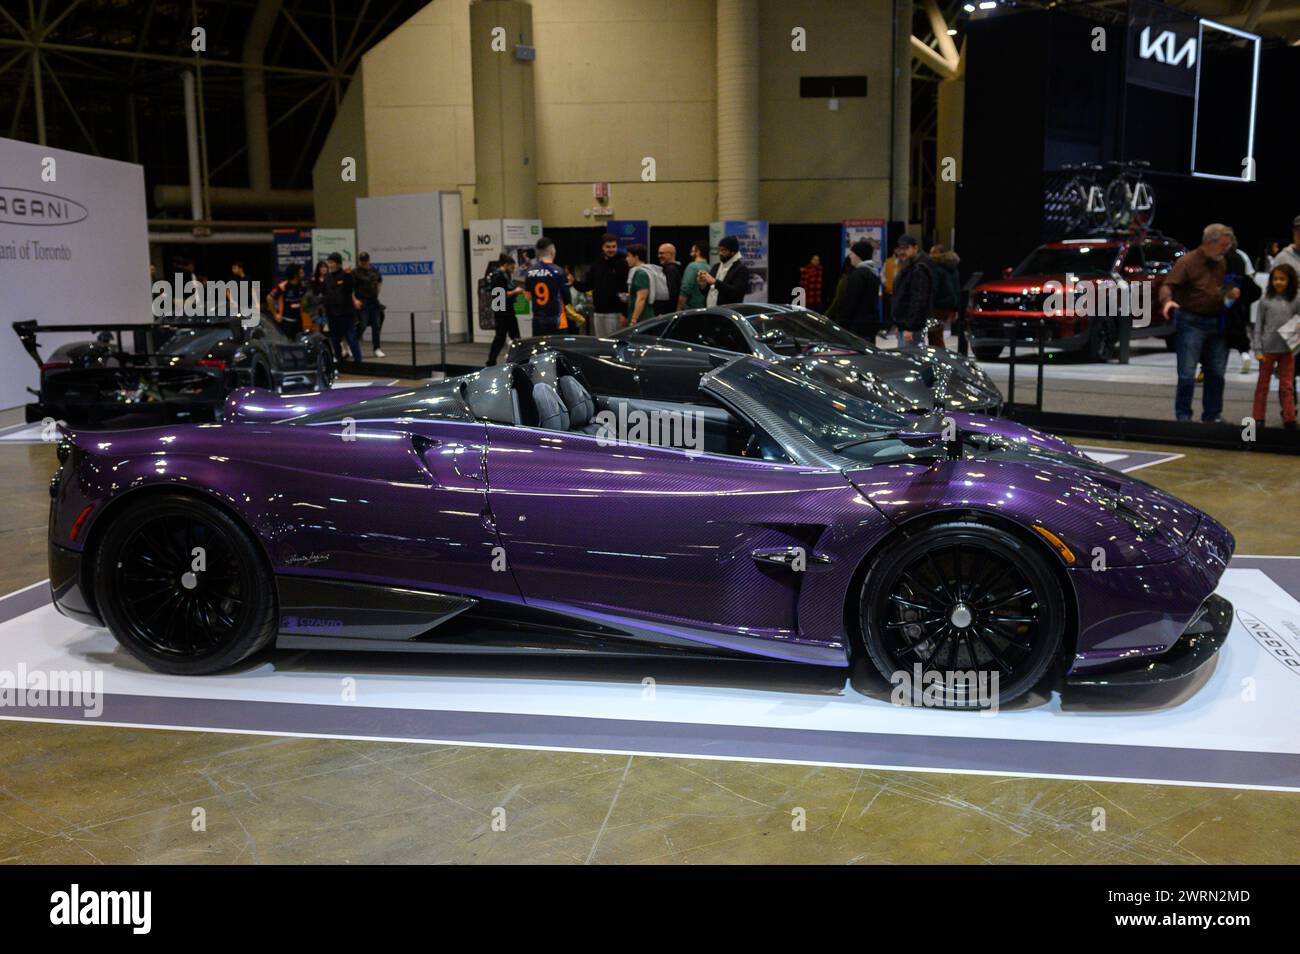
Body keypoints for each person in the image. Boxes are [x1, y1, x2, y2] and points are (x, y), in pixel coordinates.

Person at [1159, 223, 1239, 423]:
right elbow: (1168, 285)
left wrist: (1230, 290)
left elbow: (1219, 286)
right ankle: (1183, 416)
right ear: (1209, 243)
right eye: (1223, 245)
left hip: (1216, 322)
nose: (1226, 249)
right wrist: (1167, 301)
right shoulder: (1187, 262)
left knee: (1216, 373)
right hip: (1191, 322)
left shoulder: (1221, 261)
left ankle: (1212, 415)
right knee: (1187, 374)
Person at [1251, 264, 1300, 431]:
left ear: (1290, 281)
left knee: (1287, 386)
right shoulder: (1265, 301)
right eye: (1275, 279)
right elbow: (1258, 326)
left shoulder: (1296, 299)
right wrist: (1257, 349)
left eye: (1282, 279)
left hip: (1288, 351)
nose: (1278, 282)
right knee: (1262, 386)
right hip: (1267, 351)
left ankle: (1289, 418)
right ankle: (1258, 418)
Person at [576, 233, 629, 338]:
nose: (611, 249)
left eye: (614, 246)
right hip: (598, 312)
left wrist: (624, 313)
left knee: (614, 343)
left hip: (615, 313)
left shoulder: (622, 264)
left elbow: (626, 290)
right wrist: (574, 282)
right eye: (608, 247)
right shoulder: (596, 263)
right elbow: (588, 285)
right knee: (600, 344)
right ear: (602, 247)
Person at [891, 235, 934, 347]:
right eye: (900, 249)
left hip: (911, 328)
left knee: (911, 360)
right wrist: (899, 325)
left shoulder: (919, 268)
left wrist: (910, 327)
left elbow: (919, 300)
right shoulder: (909, 266)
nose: (902, 252)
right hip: (905, 325)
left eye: (905, 248)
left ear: (915, 248)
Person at [522, 236, 567, 335]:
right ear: (552, 250)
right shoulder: (558, 271)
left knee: (540, 347)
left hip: (538, 320)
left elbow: (527, 297)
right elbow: (566, 297)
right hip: (556, 320)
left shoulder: (529, 272)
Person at [486, 255, 526, 365]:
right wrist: (515, 292)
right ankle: (491, 361)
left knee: (510, 336)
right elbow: (500, 295)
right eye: (512, 268)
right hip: (502, 311)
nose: (513, 270)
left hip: (505, 309)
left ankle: (493, 360)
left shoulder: (504, 276)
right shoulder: (498, 276)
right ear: (506, 264)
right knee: (503, 337)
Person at [322, 252, 361, 363]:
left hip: (346, 314)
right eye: (328, 262)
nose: (329, 265)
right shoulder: (327, 277)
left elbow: (350, 290)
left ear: (338, 263)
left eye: (331, 262)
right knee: (334, 340)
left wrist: (348, 275)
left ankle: (359, 362)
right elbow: (325, 293)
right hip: (332, 315)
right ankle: (340, 362)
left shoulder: (346, 275)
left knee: (351, 338)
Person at [838, 240, 881, 339]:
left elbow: (851, 302)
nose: (850, 256)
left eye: (852, 253)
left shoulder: (858, 275)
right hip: (870, 325)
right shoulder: (873, 273)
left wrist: (842, 323)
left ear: (858, 255)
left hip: (857, 328)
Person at [700, 234, 749, 306]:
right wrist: (703, 285)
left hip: (728, 313)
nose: (720, 253)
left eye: (723, 250)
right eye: (719, 250)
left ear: (733, 252)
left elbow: (736, 292)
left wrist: (715, 282)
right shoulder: (716, 266)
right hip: (710, 311)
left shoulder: (741, 269)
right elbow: (708, 291)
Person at [353, 252, 385, 358]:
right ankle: (353, 344)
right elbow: (351, 288)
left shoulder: (374, 271)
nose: (364, 263)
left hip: (373, 301)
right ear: (359, 261)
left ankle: (377, 348)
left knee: (376, 325)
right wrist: (355, 300)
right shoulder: (356, 272)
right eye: (362, 261)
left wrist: (377, 292)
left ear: (369, 260)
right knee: (362, 325)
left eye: (366, 260)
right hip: (362, 302)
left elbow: (380, 281)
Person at [929, 244, 961, 349]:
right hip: (949, 306)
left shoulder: (937, 269)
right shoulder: (953, 268)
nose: (930, 255)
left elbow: (934, 289)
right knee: (938, 334)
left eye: (933, 252)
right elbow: (956, 289)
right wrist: (955, 308)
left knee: (935, 336)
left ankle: (939, 358)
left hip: (938, 306)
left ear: (939, 254)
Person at [267, 264, 306, 339]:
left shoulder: (302, 286)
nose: (303, 274)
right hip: (285, 322)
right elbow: (269, 298)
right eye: (301, 272)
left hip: (298, 321)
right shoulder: (283, 286)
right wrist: (275, 314)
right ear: (295, 274)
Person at [624, 243, 654, 326]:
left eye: (628, 256)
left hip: (642, 319)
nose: (626, 259)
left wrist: (634, 320)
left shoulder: (641, 274)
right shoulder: (638, 272)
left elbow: (642, 298)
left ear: (636, 257)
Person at [677, 240, 710, 311]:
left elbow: (685, 290)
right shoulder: (709, 267)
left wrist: (678, 310)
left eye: (692, 251)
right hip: (705, 308)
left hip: (691, 310)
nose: (690, 254)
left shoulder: (692, 266)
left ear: (698, 252)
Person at [823, 256, 855, 323]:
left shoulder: (846, 279)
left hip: (845, 316)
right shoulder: (857, 276)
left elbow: (838, 299)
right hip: (854, 315)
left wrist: (826, 315)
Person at [302, 260, 330, 336]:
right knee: (318, 330)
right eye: (322, 267)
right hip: (316, 309)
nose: (324, 269)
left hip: (328, 309)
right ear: (318, 269)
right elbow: (311, 295)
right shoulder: (313, 280)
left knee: (327, 331)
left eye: (325, 267)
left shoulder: (330, 279)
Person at [656, 244, 682, 316]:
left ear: (671, 254)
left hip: (668, 313)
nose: (659, 256)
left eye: (662, 253)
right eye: (658, 253)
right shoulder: (674, 268)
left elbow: (670, 292)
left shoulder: (670, 270)